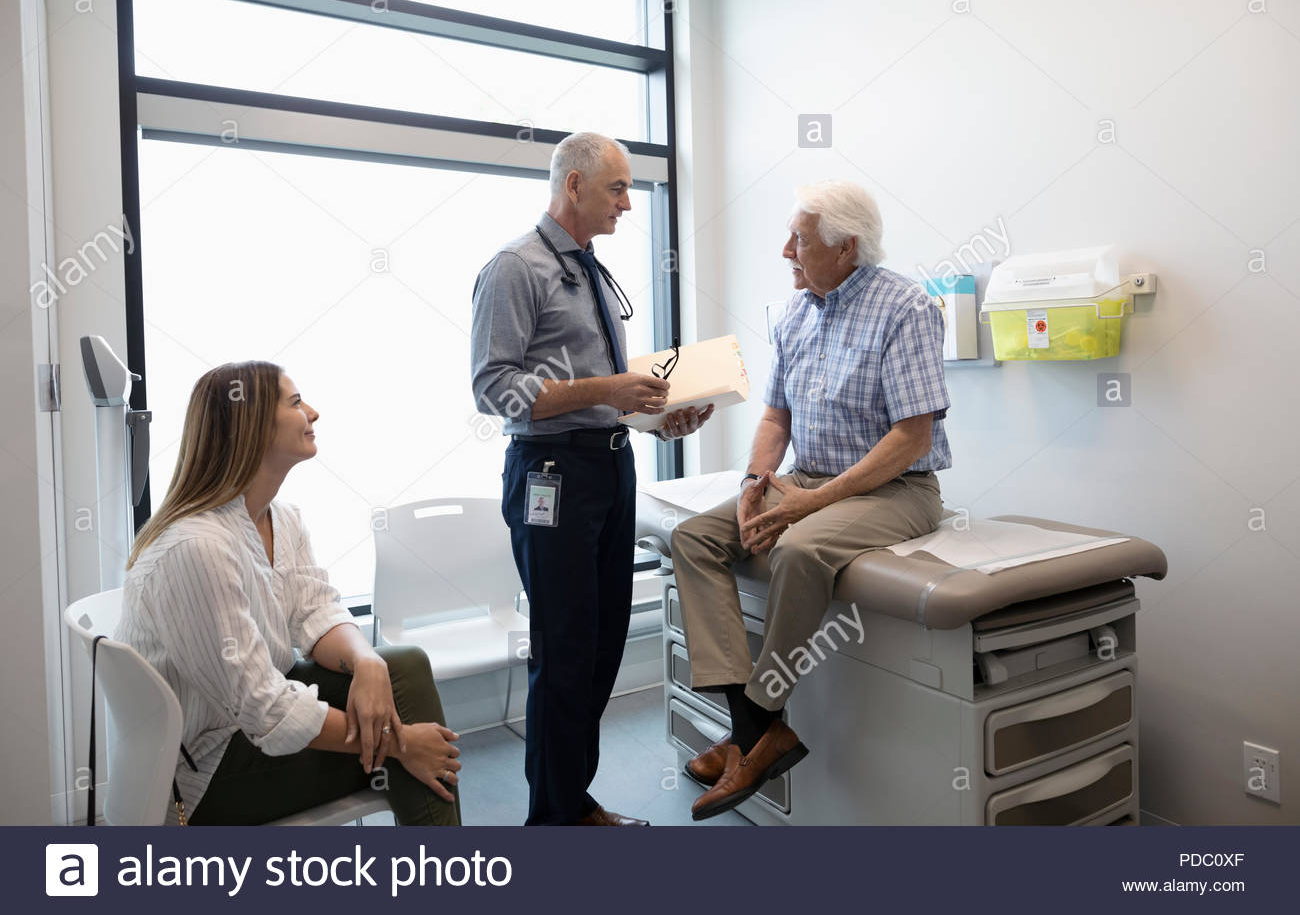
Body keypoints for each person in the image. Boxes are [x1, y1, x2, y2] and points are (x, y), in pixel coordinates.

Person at [670, 180, 951, 821]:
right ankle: (753, 731)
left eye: (799, 238)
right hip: (808, 476)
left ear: (847, 246)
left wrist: (809, 502)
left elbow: (912, 437)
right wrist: (753, 484)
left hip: (897, 488)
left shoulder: (905, 308)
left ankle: (759, 720)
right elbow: (775, 417)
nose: (785, 249)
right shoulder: (798, 311)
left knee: (798, 549)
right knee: (695, 537)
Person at [470, 131, 713, 825]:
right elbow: (496, 391)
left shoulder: (589, 268)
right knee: (567, 649)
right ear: (573, 185)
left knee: (603, 645)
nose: (628, 204)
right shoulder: (516, 268)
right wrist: (608, 386)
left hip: (610, 464)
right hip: (552, 476)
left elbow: (598, 390)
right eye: (617, 188)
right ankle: (555, 821)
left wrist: (657, 418)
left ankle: (573, 802)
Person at [117, 361, 462, 825]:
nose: (313, 413)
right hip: (209, 772)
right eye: (297, 403)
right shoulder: (197, 548)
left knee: (403, 665)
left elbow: (315, 612)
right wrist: (402, 744)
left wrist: (367, 662)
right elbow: (262, 707)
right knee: (419, 748)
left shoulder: (281, 517)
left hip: (247, 731)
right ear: (253, 426)